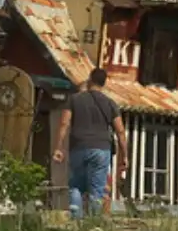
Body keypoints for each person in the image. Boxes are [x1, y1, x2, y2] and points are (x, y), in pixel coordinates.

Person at [51, 68, 126, 220]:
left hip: (78, 147)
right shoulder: (110, 103)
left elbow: (64, 123)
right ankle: (94, 222)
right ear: (104, 83)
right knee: (97, 190)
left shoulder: (74, 99)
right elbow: (120, 131)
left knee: (76, 185)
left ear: (90, 79)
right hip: (101, 150)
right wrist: (124, 155)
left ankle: (76, 219)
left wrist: (59, 147)